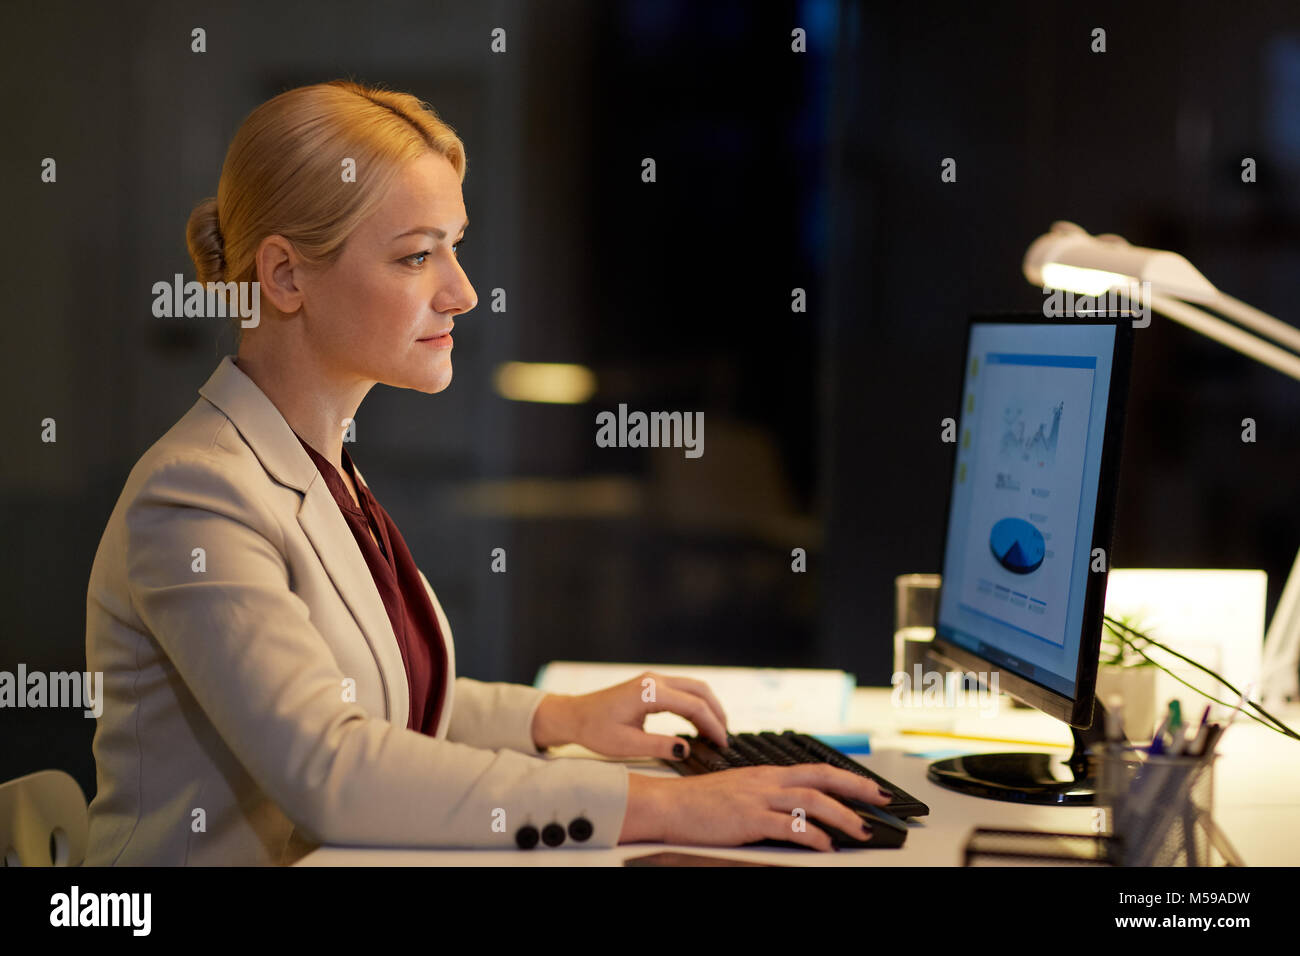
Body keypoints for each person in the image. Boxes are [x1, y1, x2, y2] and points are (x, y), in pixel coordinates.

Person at [84, 80, 888, 865]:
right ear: (286, 277)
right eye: (415, 257)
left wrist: (560, 717)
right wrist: (669, 807)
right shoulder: (197, 495)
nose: (462, 292)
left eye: (454, 247)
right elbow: (332, 768)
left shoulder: (315, 467)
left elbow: (376, 693)